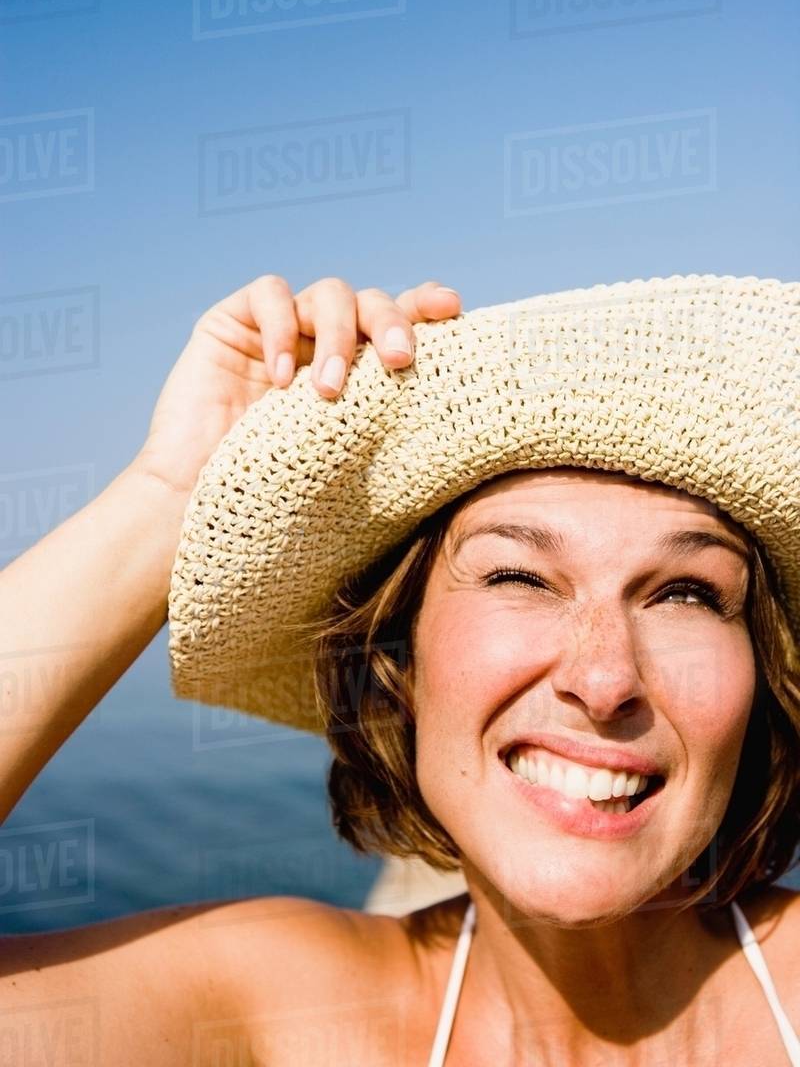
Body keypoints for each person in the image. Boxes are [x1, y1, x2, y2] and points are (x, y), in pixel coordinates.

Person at [0, 273, 798, 1066]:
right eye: (518, 578)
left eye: (688, 595)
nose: (605, 679)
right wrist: (172, 494)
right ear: (398, 662)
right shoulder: (284, 1017)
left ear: (763, 677)